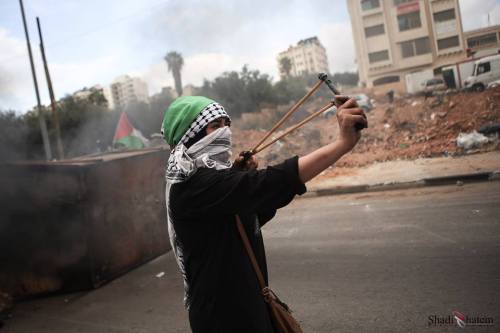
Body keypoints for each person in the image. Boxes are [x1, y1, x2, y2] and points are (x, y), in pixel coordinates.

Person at [161, 95, 366, 333]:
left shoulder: (215, 182)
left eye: (227, 124)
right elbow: (269, 183)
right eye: (215, 126)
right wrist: (342, 144)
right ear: (191, 134)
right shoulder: (192, 186)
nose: (225, 132)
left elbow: (250, 217)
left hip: (249, 309)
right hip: (222, 318)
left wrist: (238, 174)